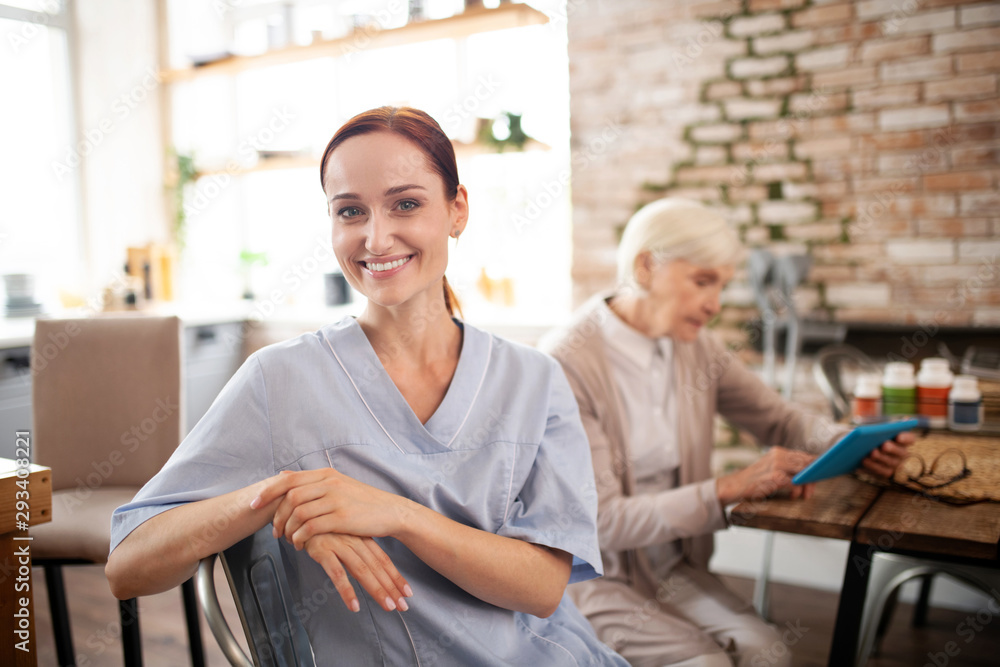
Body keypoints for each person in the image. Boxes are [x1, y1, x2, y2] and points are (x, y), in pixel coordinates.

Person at [106, 106, 627, 666]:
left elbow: (543, 589)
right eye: (351, 211)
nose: (376, 239)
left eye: (406, 204)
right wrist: (280, 497)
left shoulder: (535, 379)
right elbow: (129, 566)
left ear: (457, 210)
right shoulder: (279, 380)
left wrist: (398, 514)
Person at [540, 197, 914, 667]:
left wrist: (852, 442)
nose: (715, 305)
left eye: (722, 285)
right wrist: (729, 488)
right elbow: (606, 522)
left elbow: (780, 419)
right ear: (646, 265)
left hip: (676, 566)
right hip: (598, 580)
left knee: (769, 653)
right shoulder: (566, 361)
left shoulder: (694, 347)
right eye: (702, 281)